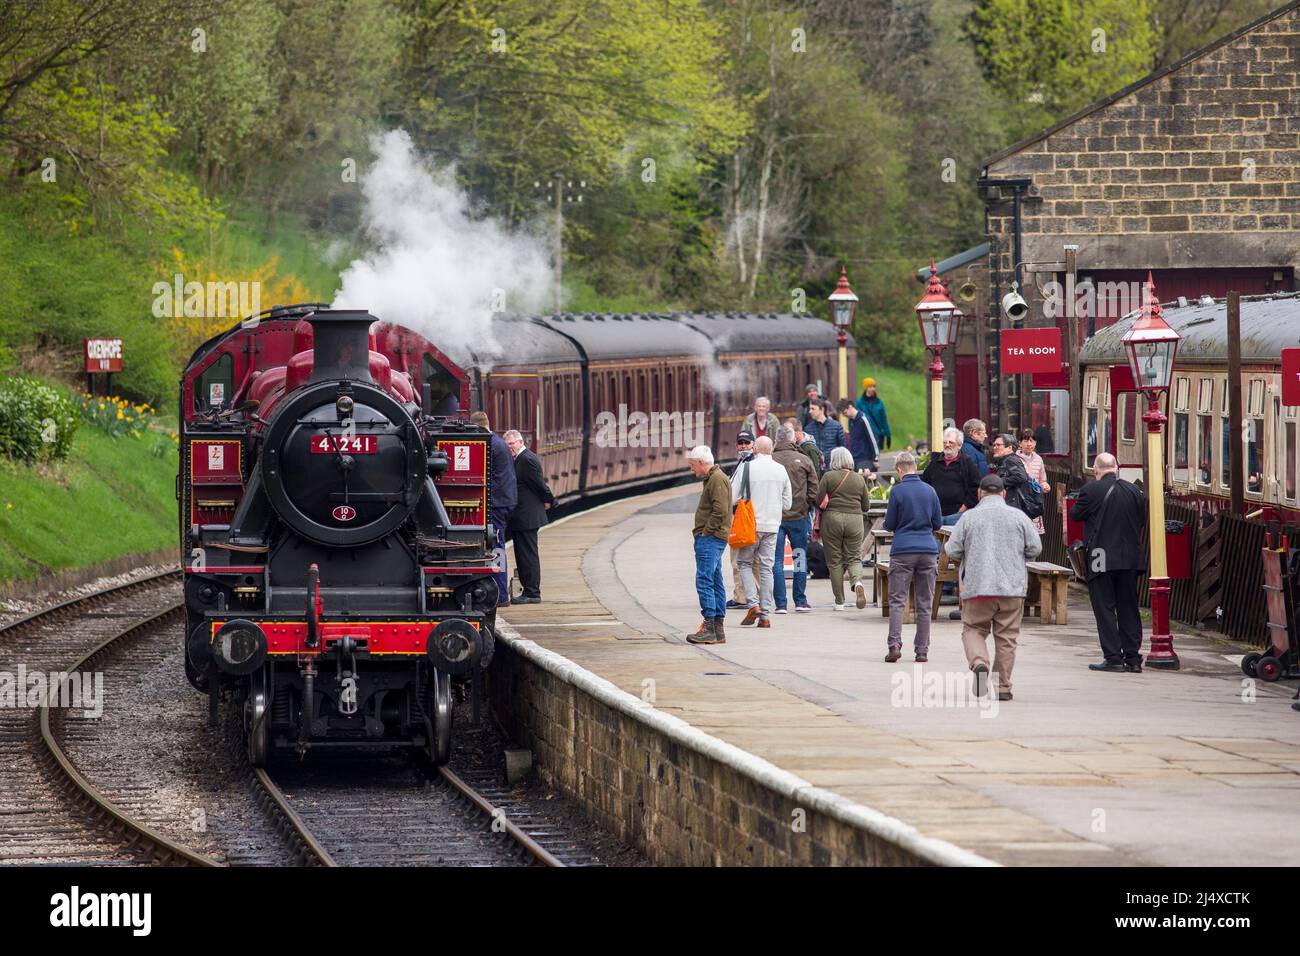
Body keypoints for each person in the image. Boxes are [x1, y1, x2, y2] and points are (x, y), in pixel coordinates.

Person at [944, 473, 1042, 701]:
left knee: (973, 629)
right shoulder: (1018, 517)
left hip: (977, 588)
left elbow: (952, 550)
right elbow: (1035, 548)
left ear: (979, 493)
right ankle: (1003, 687)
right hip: (1011, 588)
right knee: (1007, 638)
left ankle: (979, 663)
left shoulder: (969, 518)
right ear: (1004, 493)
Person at [1069, 452, 1147, 673]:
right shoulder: (1134, 490)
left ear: (1095, 469)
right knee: (1129, 607)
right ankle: (1133, 658)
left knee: (1104, 607)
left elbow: (1075, 514)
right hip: (1130, 558)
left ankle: (1113, 657)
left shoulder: (1090, 490)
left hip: (1101, 557)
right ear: (1117, 467)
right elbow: (1141, 519)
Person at [882, 451, 941, 663]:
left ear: (899, 470)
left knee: (898, 600)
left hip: (903, 550)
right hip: (927, 549)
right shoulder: (930, 491)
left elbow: (889, 524)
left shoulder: (897, 492)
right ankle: (922, 650)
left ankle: (894, 644)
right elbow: (937, 523)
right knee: (925, 602)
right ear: (915, 467)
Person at [731, 436, 792, 628]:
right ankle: (765, 615)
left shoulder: (746, 467)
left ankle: (753, 604)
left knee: (744, 563)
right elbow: (788, 503)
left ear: (755, 449)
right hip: (772, 527)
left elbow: (732, 497)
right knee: (767, 569)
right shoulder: (781, 470)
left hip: (750, 526)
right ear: (772, 449)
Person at [815, 447, 871, 610]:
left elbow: (818, 500)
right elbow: (866, 506)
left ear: (834, 460)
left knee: (835, 562)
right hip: (855, 520)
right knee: (854, 557)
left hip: (832, 519)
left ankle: (839, 602)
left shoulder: (828, 477)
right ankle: (858, 583)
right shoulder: (859, 479)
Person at [470, 410, 516, 606]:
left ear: (477, 427)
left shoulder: (489, 444)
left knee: (497, 547)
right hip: (503, 501)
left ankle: (501, 596)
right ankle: (500, 593)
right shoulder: (498, 442)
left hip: (497, 503)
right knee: (497, 546)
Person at [687, 446, 732, 645]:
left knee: (704, 580)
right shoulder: (715, 478)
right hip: (713, 537)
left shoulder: (716, 479)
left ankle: (709, 628)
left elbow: (721, 511)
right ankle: (718, 630)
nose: (692, 469)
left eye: (692, 465)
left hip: (711, 538)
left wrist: (706, 531)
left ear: (702, 463)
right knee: (714, 580)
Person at [771, 425, 818, 614]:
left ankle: (780, 604)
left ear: (776, 439)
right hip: (798, 516)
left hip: (776, 518)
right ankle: (800, 601)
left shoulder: (770, 460)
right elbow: (814, 488)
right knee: (799, 557)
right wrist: (807, 506)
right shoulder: (804, 460)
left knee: (776, 562)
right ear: (792, 439)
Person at [504, 429, 554, 604]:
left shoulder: (527, 460)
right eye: (507, 445)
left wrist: (550, 500)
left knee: (527, 555)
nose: (509, 448)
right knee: (522, 554)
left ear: (520, 442)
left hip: (527, 516)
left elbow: (539, 484)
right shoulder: (520, 459)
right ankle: (529, 590)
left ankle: (532, 593)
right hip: (522, 516)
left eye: (511, 444)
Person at [725, 431, 758, 609]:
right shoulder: (744, 462)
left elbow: (734, 495)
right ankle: (755, 595)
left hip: (742, 515)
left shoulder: (748, 464)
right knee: (755, 560)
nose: (743, 446)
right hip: (749, 515)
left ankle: (741, 597)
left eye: (746, 442)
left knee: (738, 559)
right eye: (740, 443)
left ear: (753, 444)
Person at [921, 427, 980, 526]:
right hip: (936, 514)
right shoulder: (935, 462)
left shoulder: (967, 462)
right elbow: (925, 483)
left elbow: (976, 486)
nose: (947, 445)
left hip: (957, 515)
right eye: (945, 442)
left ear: (959, 445)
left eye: (951, 442)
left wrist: (965, 506)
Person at [1016, 428, 1052, 536]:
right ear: (1019, 443)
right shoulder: (1014, 459)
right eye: (1026, 441)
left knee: (1033, 537)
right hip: (1020, 502)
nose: (1029, 444)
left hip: (1035, 502)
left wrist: (1045, 486)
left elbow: (1042, 480)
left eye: (1032, 441)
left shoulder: (1038, 459)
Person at [988, 433, 1033, 518]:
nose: (995, 448)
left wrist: (998, 482)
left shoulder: (1011, 460)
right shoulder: (1004, 461)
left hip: (1013, 507)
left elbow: (1021, 477)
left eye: (998, 445)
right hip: (1009, 506)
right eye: (994, 445)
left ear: (1009, 448)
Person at [836, 398, 880, 473]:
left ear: (850, 407)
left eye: (845, 412)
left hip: (865, 459)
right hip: (854, 459)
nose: (844, 416)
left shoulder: (863, 419)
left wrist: (876, 459)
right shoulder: (851, 421)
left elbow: (873, 439)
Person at [854, 378, 892, 451]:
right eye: (870, 387)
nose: (872, 389)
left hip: (877, 435)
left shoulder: (879, 402)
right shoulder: (859, 403)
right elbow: (856, 420)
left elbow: (883, 419)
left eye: (874, 386)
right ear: (865, 388)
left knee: (876, 459)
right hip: (865, 436)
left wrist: (888, 434)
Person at [805, 399, 846, 467]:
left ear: (822, 409)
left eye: (813, 409)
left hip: (833, 466)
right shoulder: (808, 429)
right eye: (810, 409)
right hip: (815, 467)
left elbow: (842, 449)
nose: (810, 411)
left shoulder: (836, 426)